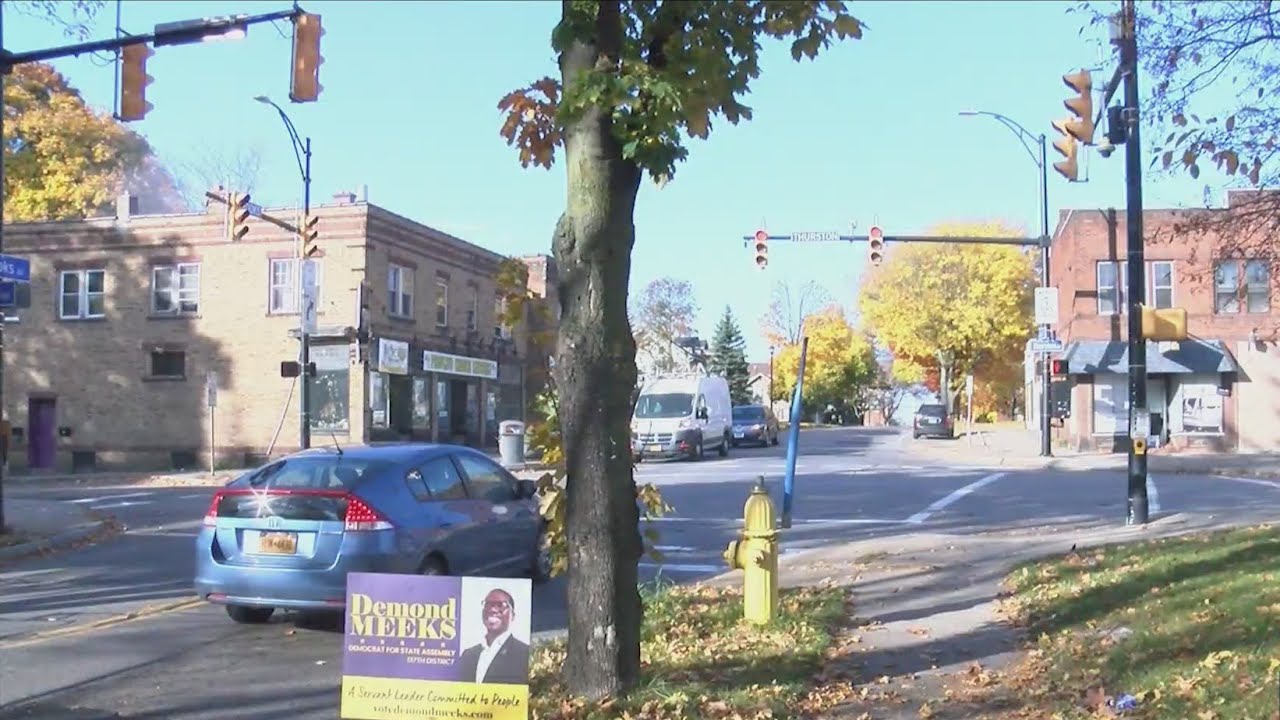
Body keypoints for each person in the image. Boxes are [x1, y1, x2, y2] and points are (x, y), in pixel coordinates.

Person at [457, 588, 529, 685]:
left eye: (500, 605)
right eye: (488, 604)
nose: (492, 609)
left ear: (513, 615)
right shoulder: (468, 655)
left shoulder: (524, 653)